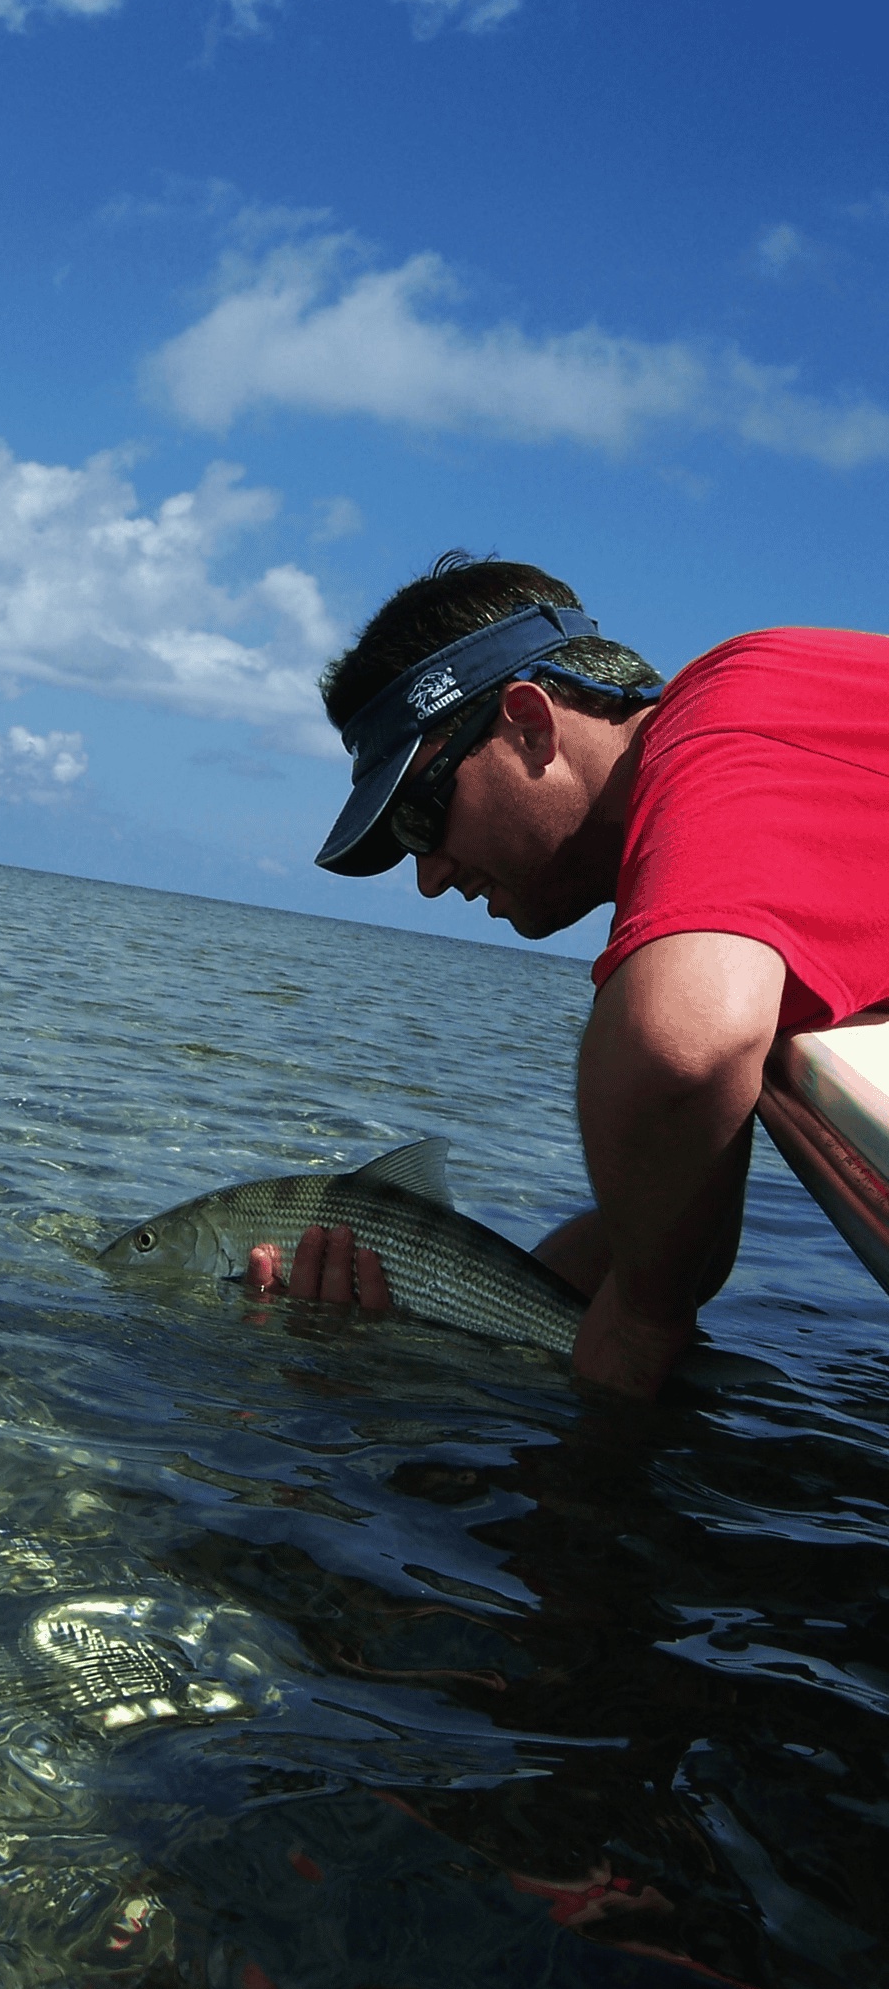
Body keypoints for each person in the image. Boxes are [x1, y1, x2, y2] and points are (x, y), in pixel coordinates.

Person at [249, 552, 889, 1397]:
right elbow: (679, 1243)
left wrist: (639, 1333)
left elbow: (678, 1053)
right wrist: (439, 1324)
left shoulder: (733, 714)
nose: (429, 875)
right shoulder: (729, 858)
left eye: (420, 816)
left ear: (530, 724)